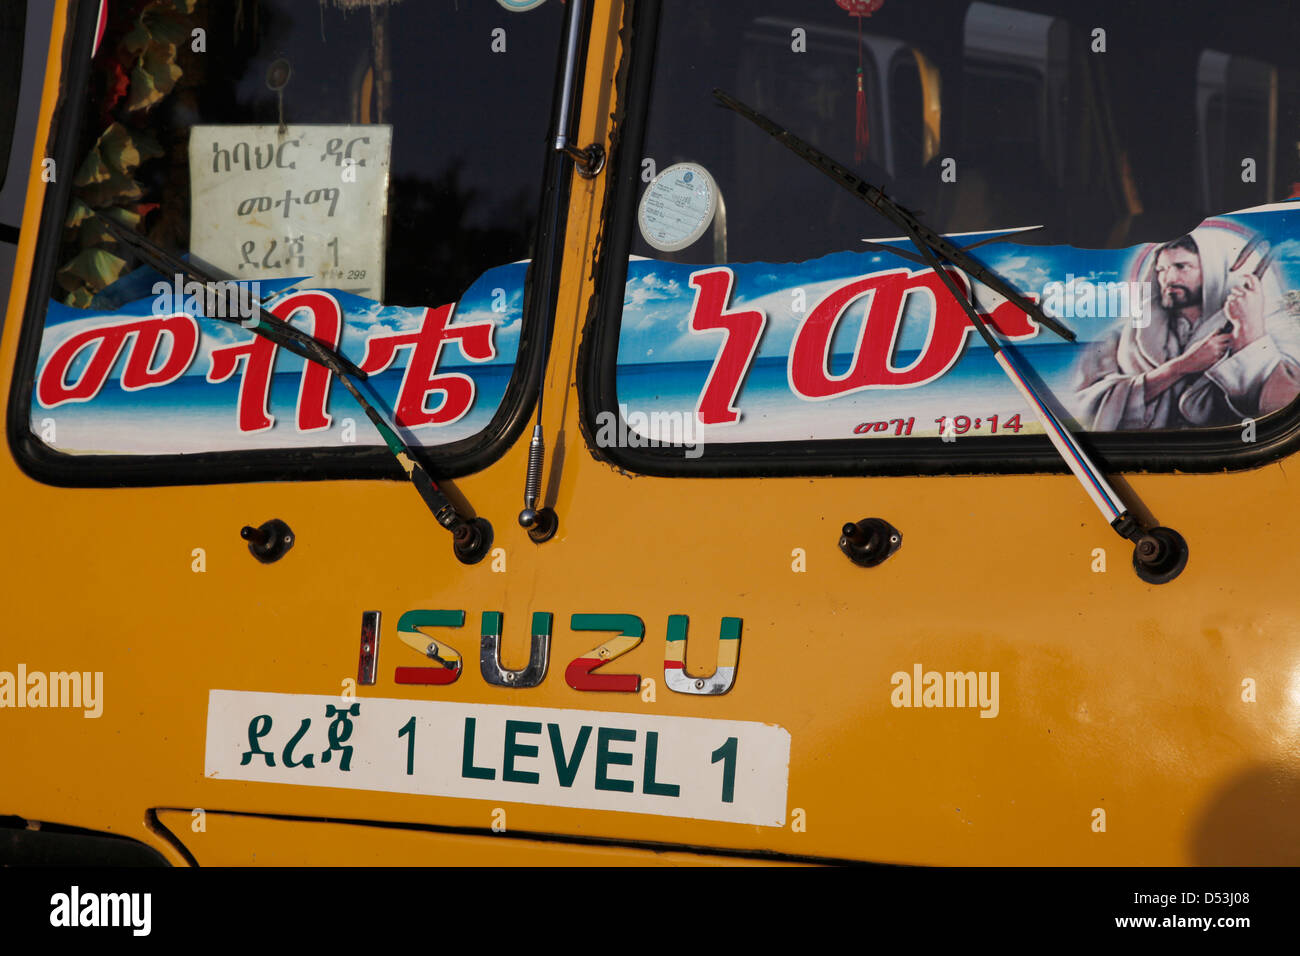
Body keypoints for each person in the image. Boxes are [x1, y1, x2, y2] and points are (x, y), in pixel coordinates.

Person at [1073, 229, 1300, 430]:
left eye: (1182, 267)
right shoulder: (1121, 339)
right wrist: (1182, 367)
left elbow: (1281, 407)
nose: (1168, 278)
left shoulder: (1269, 327)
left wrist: (1249, 334)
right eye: (1161, 270)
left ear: (1215, 271)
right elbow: (1087, 406)